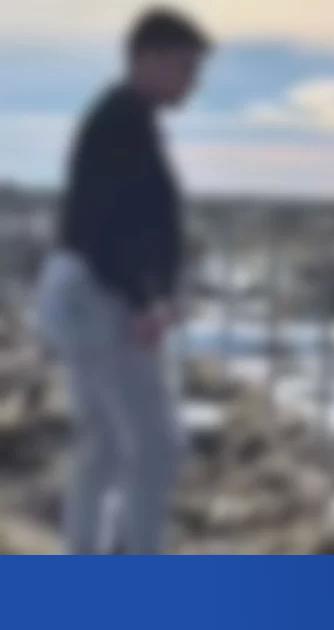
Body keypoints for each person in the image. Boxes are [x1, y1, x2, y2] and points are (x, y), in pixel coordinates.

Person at [34, 8, 209, 554]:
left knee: (109, 443)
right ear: (147, 59)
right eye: (184, 67)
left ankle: (93, 563)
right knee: (151, 445)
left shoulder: (126, 121)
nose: (191, 81)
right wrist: (144, 301)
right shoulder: (120, 125)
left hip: (96, 292)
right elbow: (106, 223)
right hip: (100, 295)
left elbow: (124, 221)